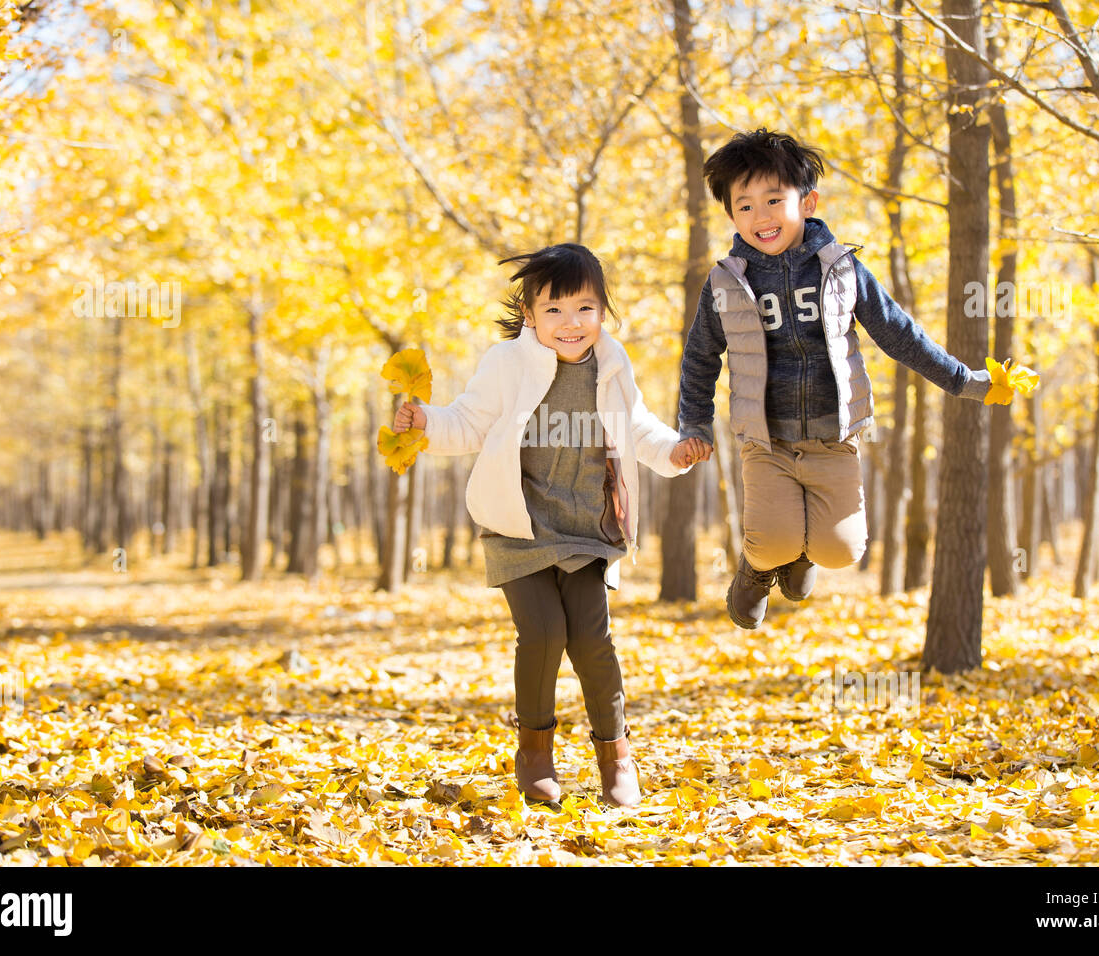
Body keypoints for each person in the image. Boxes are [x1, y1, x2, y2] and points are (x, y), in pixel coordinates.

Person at [393, 243, 707, 806]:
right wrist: (424, 422)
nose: (570, 324)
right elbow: (467, 422)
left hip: (587, 529)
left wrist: (673, 451)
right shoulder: (506, 363)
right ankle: (535, 753)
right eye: (554, 310)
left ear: (603, 313)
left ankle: (616, 754)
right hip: (520, 527)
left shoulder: (612, 363)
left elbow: (637, 425)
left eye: (584, 309)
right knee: (542, 634)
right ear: (530, 315)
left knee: (591, 640)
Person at [676, 128, 995, 629]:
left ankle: (801, 555)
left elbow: (898, 334)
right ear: (731, 215)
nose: (760, 216)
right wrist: (693, 425)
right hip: (766, 441)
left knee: (842, 551)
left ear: (807, 203)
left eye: (774, 200)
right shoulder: (725, 282)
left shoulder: (842, 270)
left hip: (834, 437)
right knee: (771, 540)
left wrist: (962, 379)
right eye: (744, 206)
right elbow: (699, 360)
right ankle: (757, 572)